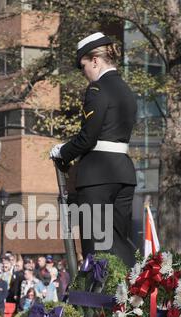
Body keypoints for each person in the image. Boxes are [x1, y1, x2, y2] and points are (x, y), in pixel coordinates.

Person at [50, 32, 137, 267]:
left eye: (84, 65)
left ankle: (99, 303)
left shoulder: (97, 89)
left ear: (95, 61)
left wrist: (62, 152)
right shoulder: (126, 89)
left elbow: (88, 137)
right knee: (119, 241)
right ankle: (128, 299)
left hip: (98, 176)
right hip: (124, 174)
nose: (84, 72)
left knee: (96, 246)